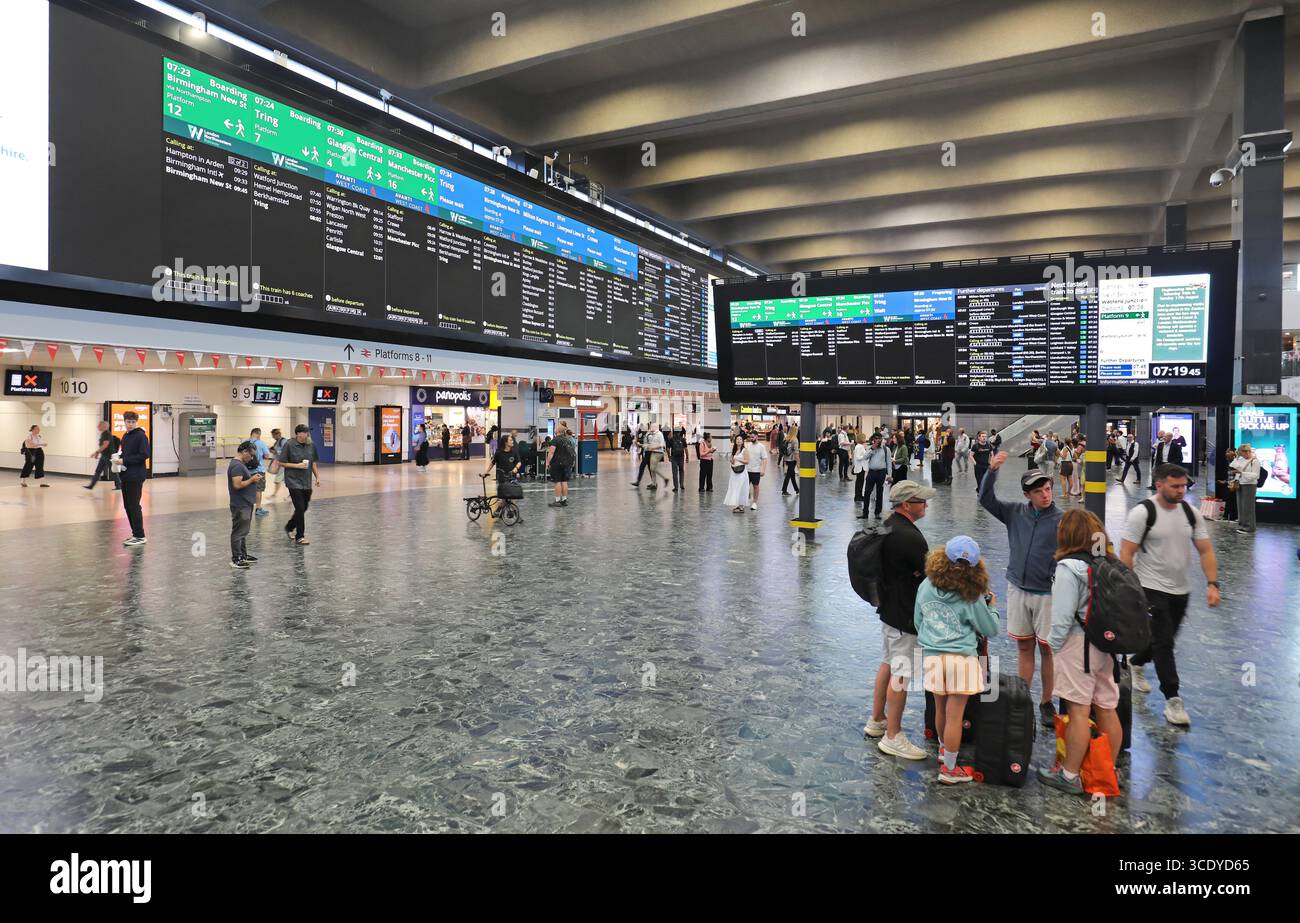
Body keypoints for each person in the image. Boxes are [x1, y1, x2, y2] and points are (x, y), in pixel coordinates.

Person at [1119, 463, 1219, 726]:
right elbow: (1127, 553)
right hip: (1150, 587)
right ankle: (1172, 699)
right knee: (1164, 642)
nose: (1180, 491)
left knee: (1164, 639)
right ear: (1160, 484)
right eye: (1175, 486)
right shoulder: (1143, 513)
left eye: (1183, 486)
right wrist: (1130, 590)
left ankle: (1136, 661)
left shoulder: (1190, 512)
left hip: (1181, 589)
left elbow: (1206, 550)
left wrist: (1212, 584)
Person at [1038, 508, 1125, 795]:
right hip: (1107, 646)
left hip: (1078, 646)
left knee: (1078, 710)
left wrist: (1053, 643)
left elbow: (1062, 618)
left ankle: (1069, 775)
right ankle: (1106, 770)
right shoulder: (1110, 562)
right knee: (1107, 708)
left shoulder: (1069, 568)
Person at [979, 451, 1062, 728]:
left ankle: (1047, 701)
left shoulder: (1061, 519)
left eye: (1048, 489)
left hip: (1047, 594)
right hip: (1018, 588)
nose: (1046, 495)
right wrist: (992, 472)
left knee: (1047, 649)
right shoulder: (1015, 513)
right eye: (1039, 491)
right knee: (1025, 646)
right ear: (1028, 494)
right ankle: (1023, 699)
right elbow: (985, 500)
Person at [915, 535, 1001, 783]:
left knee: (940, 708)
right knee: (956, 715)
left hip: (932, 655)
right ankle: (950, 770)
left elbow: (918, 619)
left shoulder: (927, 586)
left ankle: (944, 749)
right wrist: (992, 607)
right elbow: (990, 628)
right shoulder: (971, 594)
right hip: (961, 658)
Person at [865, 480, 936, 761]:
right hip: (907, 613)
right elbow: (931, 572)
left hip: (889, 609)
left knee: (888, 663)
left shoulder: (888, 525)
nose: (926, 505)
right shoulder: (910, 537)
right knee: (902, 672)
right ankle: (893, 735)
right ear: (907, 505)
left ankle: (877, 719)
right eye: (921, 501)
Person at [281, 424, 320, 546]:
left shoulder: (311, 445)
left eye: (307, 432)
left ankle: (289, 526)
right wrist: (296, 466)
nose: (306, 434)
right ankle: (300, 536)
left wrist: (317, 476)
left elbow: (312, 462)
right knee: (299, 508)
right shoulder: (289, 445)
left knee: (304, 507)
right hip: (293, 481)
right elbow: (281, 462)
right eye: (303, 432)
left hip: (306, 482)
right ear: (297, 433)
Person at [227, 440, 263, 569]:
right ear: (244, 452)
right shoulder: (237, 466)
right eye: (251, 454)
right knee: (239, 531)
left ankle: (243, 555)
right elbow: (237, 485)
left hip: (245, 503)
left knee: (243, 531)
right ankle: (236, 558)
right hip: (240, 504)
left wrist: (252, 477)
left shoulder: (240, 465)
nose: (252, 458)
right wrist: (252, 479)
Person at [118, 411, 151, 546]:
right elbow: (125, 453)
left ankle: (140, 535)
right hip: (126, 475)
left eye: (132, 422)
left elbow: (144, 455)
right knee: (127, 506)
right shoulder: (125, 436)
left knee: (134, 506)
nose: (130, 424)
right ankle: (135, 534)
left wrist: (125, 460)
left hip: (136, 476)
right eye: (128, 422)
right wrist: (119, 458)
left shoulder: (141, 436)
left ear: (136, 422)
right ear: (124, 422)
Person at [1229, 444, 1261, 535]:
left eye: (1248, 451)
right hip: (1240, 484)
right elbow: (1232, 466)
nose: (1246, 453)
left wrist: (1242, 473)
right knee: (1241, 506)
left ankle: (1249, 527)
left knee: (1248, 507)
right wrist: (1237, 457)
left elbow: (1256, 476)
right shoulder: (1240, 459)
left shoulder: (1255, 461)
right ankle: (1242, 525)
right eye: (1243, 451)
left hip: (1250, 485)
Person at [84, 420, 120, 491]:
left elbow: (105, 445)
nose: (98, 426)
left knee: (113, 472)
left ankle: (119, 485)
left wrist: (96, 452)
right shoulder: (103, 434)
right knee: (98, 471)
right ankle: (91, 485)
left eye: (99, 425)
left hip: (110, 456)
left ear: (104, 426)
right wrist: (98, 453)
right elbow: (103, 446)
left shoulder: (107, 434)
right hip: (104, 456)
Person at [546, 424, 577, 507]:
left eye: (556, 428)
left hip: (557, 464)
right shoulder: (568, 440)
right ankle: (564, 500)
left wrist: (547, 462)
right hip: (567, 464)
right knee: (564, 481)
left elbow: (551, 452)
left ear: (558, 431)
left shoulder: (555, 440)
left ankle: (557, 500)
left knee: (557, 482)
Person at [861, 432, 890, 519]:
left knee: (879, 493)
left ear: (881, 439)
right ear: (873, 439)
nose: (877, 440)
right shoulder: (870, 448)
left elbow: (888, 462)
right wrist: (872, 450)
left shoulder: (886, 449)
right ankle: (865, 513)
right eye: (875, 438)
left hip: (881, 472)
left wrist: (889, 475)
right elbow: (864, 457)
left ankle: (877, 513)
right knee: (867, 492)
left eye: (879, 438)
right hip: (871, 472)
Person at [635, 424, 668, 490]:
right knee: (651, 468)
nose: (650, 428)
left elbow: (661, 444)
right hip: (651, 452)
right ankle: (654, 483)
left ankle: (662, 480)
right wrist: (640, 445)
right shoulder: (651, 434)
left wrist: (652, 448)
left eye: (651, 427)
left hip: (656, 452)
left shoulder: (658, 434)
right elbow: (648, 444)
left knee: (652, 468)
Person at [723, 435, 750, 513]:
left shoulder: (744, 450)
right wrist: (731, 460)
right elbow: (733, 460)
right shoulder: (734, 450)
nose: (738, 440)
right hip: (734, 471)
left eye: (740, 439)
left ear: (742, 441)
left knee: (741, 487)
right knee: (734, 487)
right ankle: (737, 504)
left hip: (742, 472)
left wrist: (738, 458)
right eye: (737, 439)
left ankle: (741, 505)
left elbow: (747, 461)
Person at [743, 430, 769, 511]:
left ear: (757, 437)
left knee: (755, 486)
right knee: (745, 486)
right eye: (750, 437)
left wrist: (763, 470)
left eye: (753, 437)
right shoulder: (747, 445)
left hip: (756, 470)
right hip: (747, 470)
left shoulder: (761, 447)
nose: (751, 438)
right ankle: (748, 498)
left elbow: (765, 459)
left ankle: (754, 503)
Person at [248, 428, 271, 515]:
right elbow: (267, 455)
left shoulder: (245, 442)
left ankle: (248, 508)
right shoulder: (261, 443)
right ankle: (258, 508)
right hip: (259, 470)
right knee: (258, 490)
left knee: (248, 489)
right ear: (258, 434)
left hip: (247, 471)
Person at [265, 428, 288, 503]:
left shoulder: (283, 441)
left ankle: (274, 495)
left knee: (278, 479)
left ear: (277, 434)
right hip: (279, 463)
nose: (273, 437)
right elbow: (277, 452)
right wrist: (272, 451)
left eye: (273, 435)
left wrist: (275, 451)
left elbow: (285, 452)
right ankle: (292, 494)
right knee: (286, 480)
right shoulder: (276, 442)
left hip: (284, 464)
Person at [780, 426, 800, 495]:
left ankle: (797, 490)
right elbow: (796, 452)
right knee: (789, 475)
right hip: (792, 459)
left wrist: (785, 461)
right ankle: (784, 490)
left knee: (792, 475)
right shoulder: (795, 439)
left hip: (787, 459)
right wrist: (798, 462)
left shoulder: (786, 438)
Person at [668, 427, 688, 492]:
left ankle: (676, 487)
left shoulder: (671, 439)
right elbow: (685, 449)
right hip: (681, 457)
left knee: (674, 472)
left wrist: (669, 456)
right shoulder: (683, 439)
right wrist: (687, 457)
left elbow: (668, 449)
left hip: (674, 457)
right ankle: (681, 485)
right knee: (681, 470)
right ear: (679, 432)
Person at [851, 431, 867, 503]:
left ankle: (859, 495)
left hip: (861, 467)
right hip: (860, 467)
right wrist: (865, 456)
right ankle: (858, 496)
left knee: (860, 482)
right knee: (859, 482)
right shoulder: (859, 447)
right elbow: (858, 457)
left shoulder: (859, 446)